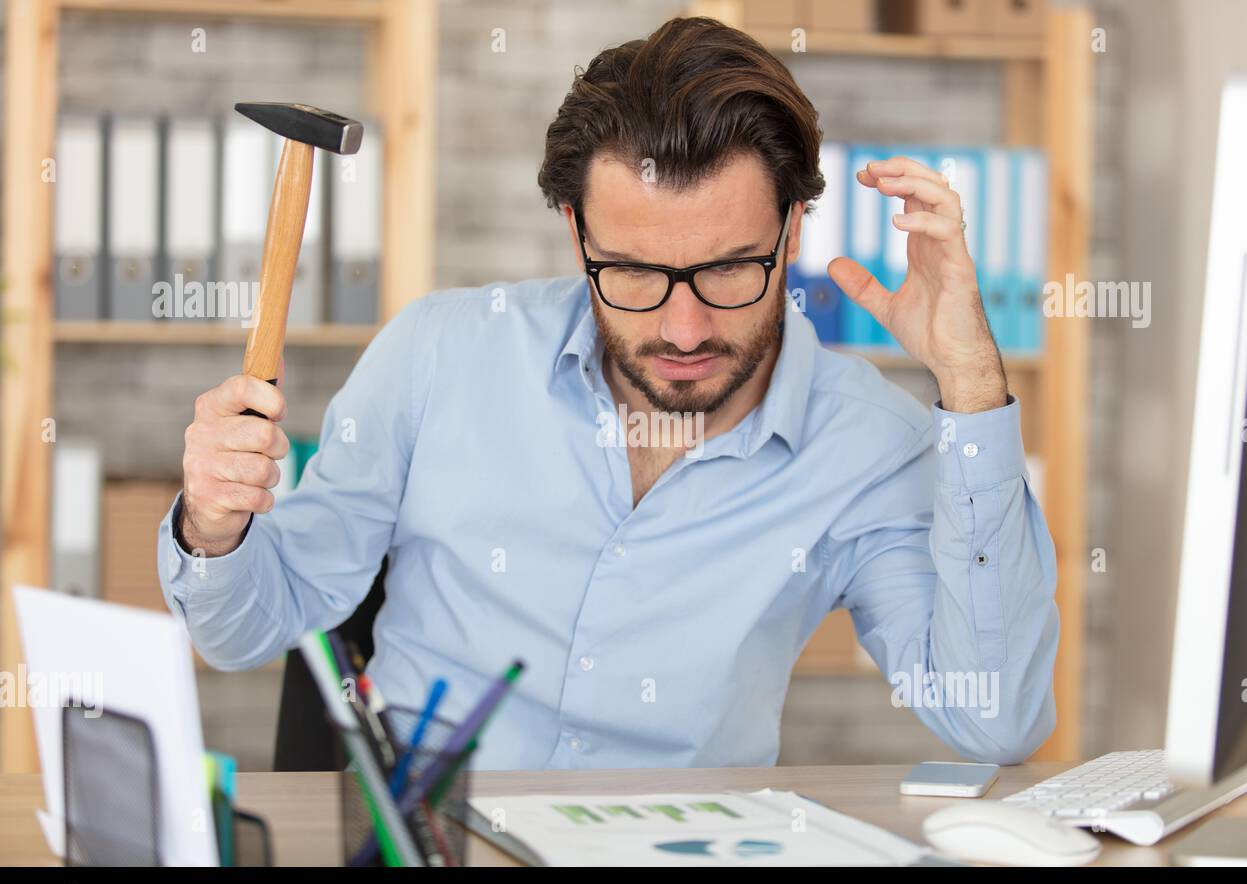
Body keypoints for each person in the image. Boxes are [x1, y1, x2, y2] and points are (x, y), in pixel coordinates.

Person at [159, 16, 1059, 769]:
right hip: (429, 839)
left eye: (728, 269)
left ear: (792, 231)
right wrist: (213, 525)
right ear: (575, 230)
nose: (683, 330)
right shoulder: (440, 355)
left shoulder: (867, 444)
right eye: (633, 272)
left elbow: (995, 722)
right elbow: (245, 629)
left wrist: (970, 381)